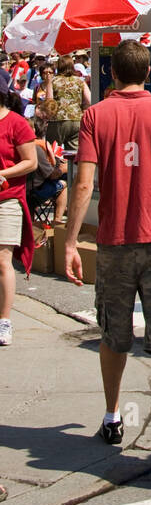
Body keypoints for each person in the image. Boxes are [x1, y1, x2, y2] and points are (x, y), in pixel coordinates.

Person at [64, 41, 151, 476]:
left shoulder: (96, 115)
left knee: (113, 332)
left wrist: (69, 241)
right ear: (148, 71)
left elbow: (84, 185)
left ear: (113, 74)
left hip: (115, 239)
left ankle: (112, 414)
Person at [0, 95, 38, 346]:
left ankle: (4, 321)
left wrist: (2, 173)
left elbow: (31, 162)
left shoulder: (16, 123)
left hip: (7, 199)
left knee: (2, 260)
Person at [43, 54, 91, 153]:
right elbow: (89, 100)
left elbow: (49, 100)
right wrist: (82, 108)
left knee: (53, 151)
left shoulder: (53, 81)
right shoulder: (80, 81)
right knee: (74, 153)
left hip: (58, 120)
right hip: (77, 119)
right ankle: (72, 169)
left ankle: (56, 167)